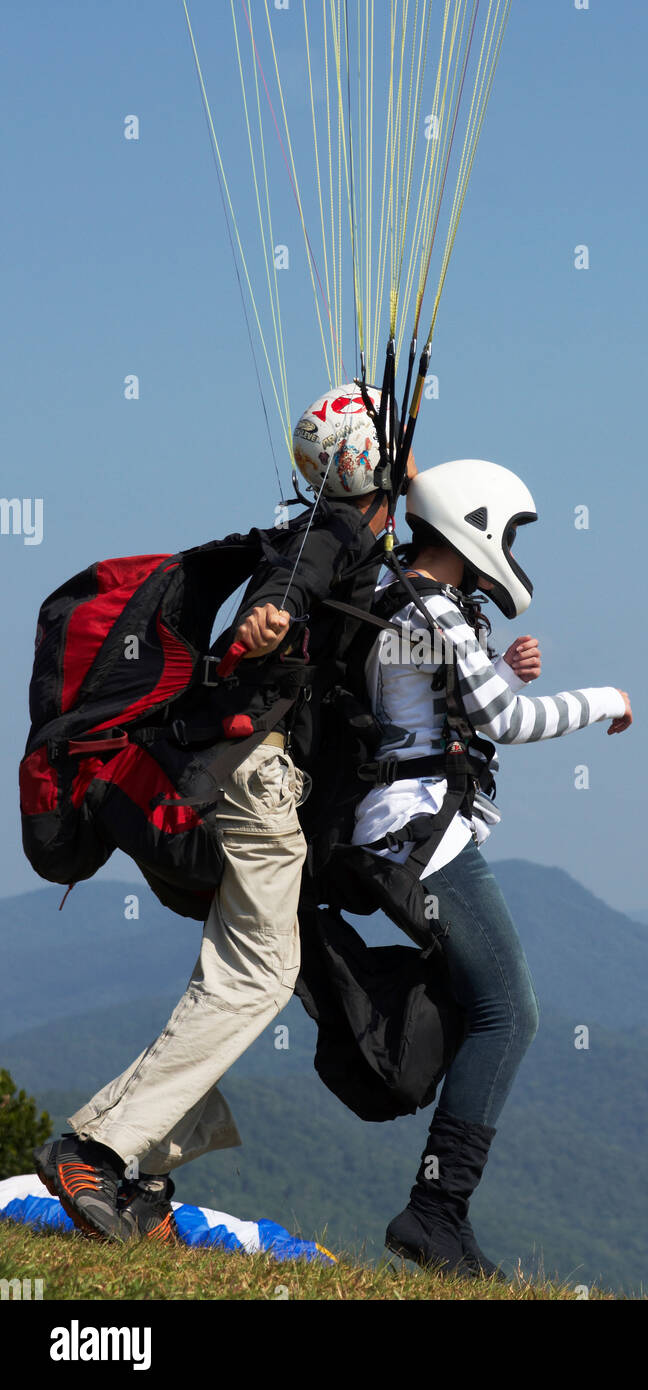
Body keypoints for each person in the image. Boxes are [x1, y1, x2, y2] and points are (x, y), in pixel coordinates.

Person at [33, 383, 397, 1243]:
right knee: (258, 976)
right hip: (252, 779)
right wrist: (272, 618)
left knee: (236, 978)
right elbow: (289, 586)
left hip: (215, 778)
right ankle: (99, 1149)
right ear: (372, 458)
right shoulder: (331, 532)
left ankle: (141, 1179)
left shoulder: (337, 529)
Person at [350, 458, 633, 1278]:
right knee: (511, 1013)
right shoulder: (432, 608)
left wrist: (499, 667)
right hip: (425, 838)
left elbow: (428, 710)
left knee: (491, 1009)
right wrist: (607, 698)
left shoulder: (402, 597)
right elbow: (505, 722)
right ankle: (434, 1215)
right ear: (475, 525)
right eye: (504, 531)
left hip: (399, 829)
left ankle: (443, 1216)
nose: (507, 548)